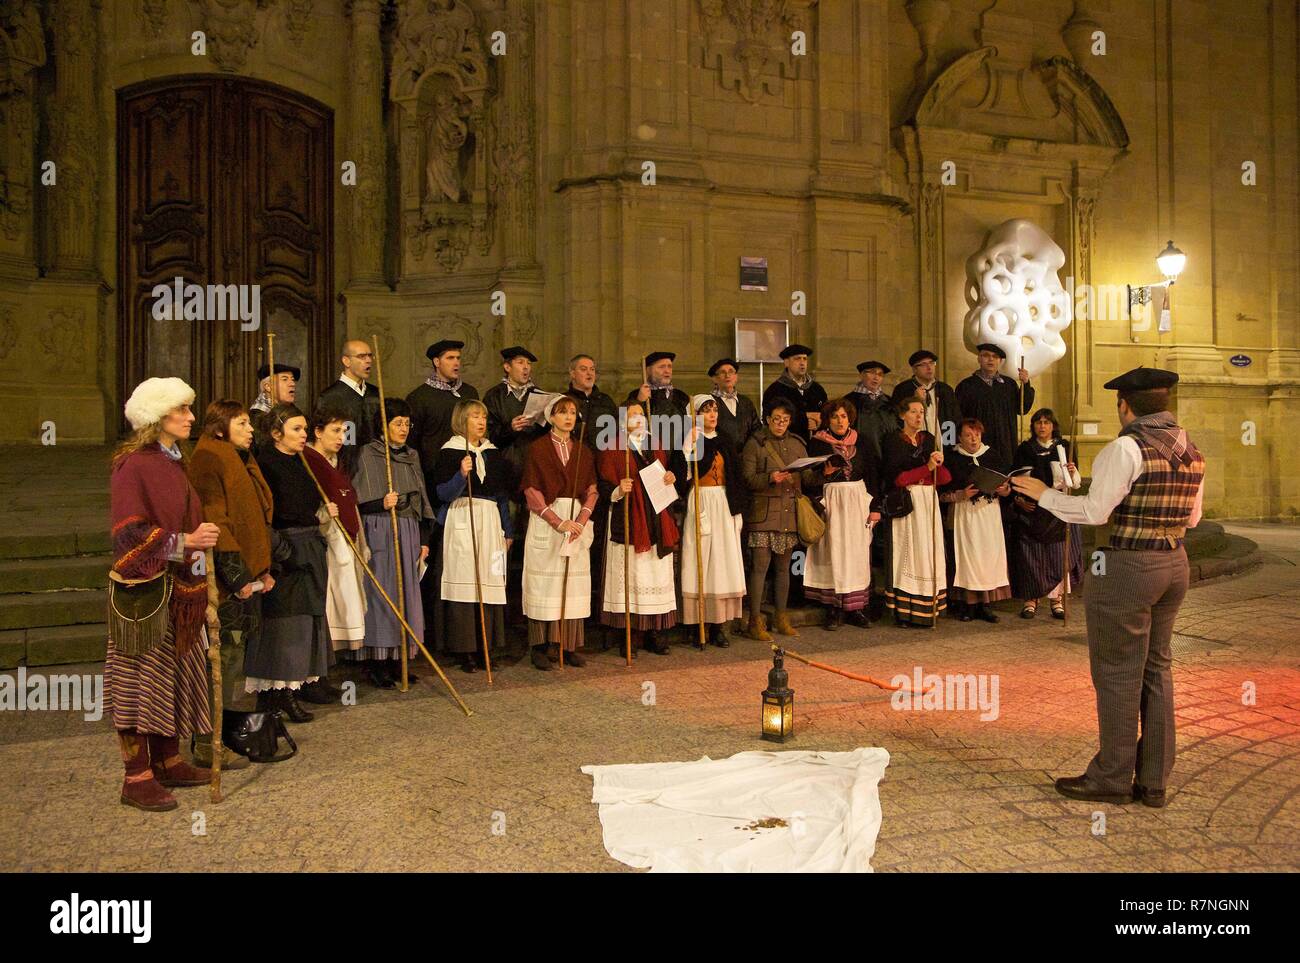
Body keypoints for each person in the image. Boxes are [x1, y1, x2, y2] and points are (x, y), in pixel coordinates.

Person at [1012, 367, 1205, 808]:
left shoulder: (1127, 446)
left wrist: (1043, 494)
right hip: (1174, 563)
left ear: (1125, 405)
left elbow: (1096, 511)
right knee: (1157, 669)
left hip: (1128, 566)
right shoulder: (1191, 449)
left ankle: (1112, 777)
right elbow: (1193, 519)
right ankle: (1153, 780)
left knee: (1118, 672)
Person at [107, 378, 216, 811]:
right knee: (140, 680)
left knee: (172, 676)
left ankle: (169, 760)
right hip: (144, 596)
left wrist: (201, 568)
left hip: (180, 591)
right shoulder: (133, 464)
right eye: (182, 410)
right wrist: (186, 542)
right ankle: (136, 778)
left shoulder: (174, 461)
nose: (191, 417)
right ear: (157, 417)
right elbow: (128, 533)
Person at [189, 399, 275, 771]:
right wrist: (237, 575)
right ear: (221, 426)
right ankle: (207, 742)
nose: (251, 428)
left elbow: (252, 513)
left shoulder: (236, 456)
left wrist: (262, 570)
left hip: (248, 576)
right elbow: (215, 521)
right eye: (242, 422)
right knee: (221, 660)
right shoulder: (209, 457)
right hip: (226, 582)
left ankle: (231, 734)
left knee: (236, 660)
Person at [248, 403, 333, 722]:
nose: (304, 435)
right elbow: (264, 514)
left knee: (308, 616)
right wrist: (282, 551)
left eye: (304, 429)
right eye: (296, 429)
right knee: (285, 622)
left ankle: (301, 684)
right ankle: (277, 693)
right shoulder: (267, 464)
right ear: (275, 433)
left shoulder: (304, 461)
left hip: (309, 542)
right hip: (287, 547)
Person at [351, 399, 434, 687]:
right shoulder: (368, 454)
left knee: (406, 596)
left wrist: (423, 540)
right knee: (381, 593)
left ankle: (400, 659)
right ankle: (377, 662)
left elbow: (421, 499)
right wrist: (379, 502)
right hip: (379, 528)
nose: (404, 429)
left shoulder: (412, 455)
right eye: (397, 423)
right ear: (383, 425)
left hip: (408, 529)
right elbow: (357, 500)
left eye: (407, 424)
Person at [432, 399, 514, 673]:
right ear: (461, 421)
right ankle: (465, 649)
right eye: (475, 417)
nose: (481, 422)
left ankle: (487, 646)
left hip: (490, 522)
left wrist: (507, 530)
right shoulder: (449, 452)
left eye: (483, 417)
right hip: (462, 519)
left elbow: (500, 495)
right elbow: (442, 494)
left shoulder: (492, 453)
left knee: (490, 579)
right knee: (465, 580)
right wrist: (461, 474)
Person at [520, 396, 599, 669]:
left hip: (575, 520)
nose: (568, 417)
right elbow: (531, 490)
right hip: (548, 520)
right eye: (562, 412)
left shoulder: (584, 451)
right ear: (551, 416)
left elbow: (591, 489)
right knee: (546, 584)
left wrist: (581, 518)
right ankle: (540, 646)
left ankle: (567, 644)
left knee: (573, 584)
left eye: (573, 412)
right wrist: (557, 522)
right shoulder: (538, 449)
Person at [598, 401, 680, 655]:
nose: (638, 419)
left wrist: (670, 476)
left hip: (656, 519)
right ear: (622, 422)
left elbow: (666, 474)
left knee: (655, 576)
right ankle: (628, 637)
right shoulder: (612, 447)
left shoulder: (656, 445)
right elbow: (602, 484)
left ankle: (655, 633)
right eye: (632, 415)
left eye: (641, 414)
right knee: (631, 578)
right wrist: (617, 489)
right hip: (629, 520)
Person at [671, 395, 748, 648]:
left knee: (721, 564)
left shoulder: (726, 440)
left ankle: (718, 625)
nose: (712, 414)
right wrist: (688, 448)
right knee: (699, 560)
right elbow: (681, 476)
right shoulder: (690, 440)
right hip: (700, 501)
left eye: (714, 409)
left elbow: (736, 476)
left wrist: (737, 510)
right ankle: (697, 625)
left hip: (723, 502)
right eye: (706, 410)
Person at [303, 407, 368, 691]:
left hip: (342, 541)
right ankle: (313, 677)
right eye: (335, 431)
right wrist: (323, 514)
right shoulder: (308, 461)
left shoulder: (335, 462)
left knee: (339, 606)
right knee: (327, 606)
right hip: (324, 542)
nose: (341, 437)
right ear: (317, 432)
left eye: (344, 432)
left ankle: (324, 671)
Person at [741, 398, 816, 640]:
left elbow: (807, 478)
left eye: (785, 420)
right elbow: (748, 479)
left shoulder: (797, 444)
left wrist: (823, 470)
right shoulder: (755, 444)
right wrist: (771, 477)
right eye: (776, 419)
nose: (780, 424)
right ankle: (755, 621)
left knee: (784, 568)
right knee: (760, 567)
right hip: (763, 513)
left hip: (789, 513)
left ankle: (781, 617)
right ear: (768, 419)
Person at [804, 398, 880, 631]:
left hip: (857, 500)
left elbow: (874, 474)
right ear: (828, 419)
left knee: (856, 554)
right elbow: (809, 478)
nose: (840, 421)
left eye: (844, 416)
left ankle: (855, 608)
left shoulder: (863, 441)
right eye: (835, 416)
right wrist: (825, 473)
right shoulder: (817, 444)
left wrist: (875, 508)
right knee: (833, 552)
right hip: (832, 501)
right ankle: (833, 608)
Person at [881, 396, 952, 627]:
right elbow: (898, 478)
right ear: (902, 415)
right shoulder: (893, 440)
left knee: (927, 553)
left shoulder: (928, 439)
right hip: (907, 500)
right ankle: (904, 610)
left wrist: (938, 464)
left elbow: (943, 478)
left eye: (921, 411)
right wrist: (927, 467)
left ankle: (928, 607)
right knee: (907, 554)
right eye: (913, 411)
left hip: (927, 500)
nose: (919, 416)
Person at [1009, 408, 1083, 620]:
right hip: (1032, 511)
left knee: (1057, 555)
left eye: (1046, 422)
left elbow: (1075, 483)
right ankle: (1031, 600)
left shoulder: (1064, 447)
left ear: (1053, 426)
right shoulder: (1025, 449)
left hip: (1057, 508)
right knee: (1031, 557)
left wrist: (1071, 472)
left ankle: (1056, 599)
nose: (1042, 426)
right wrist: (1020, 499)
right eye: (1038, 422)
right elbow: (1016, 479)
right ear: (1033, 426)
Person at [564, 353, 618, 638]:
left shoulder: (605, 402)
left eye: (593, 369)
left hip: (603, 481)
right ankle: (573, 616)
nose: (589, 373)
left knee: (599, 548)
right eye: (583, 369)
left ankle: (599, 615)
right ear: (572, 373)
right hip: (574, 481)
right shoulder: (563, 402)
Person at [938, 418, 1012, 623]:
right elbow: (942, 494)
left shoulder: (992, 455)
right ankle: (967, 605)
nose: (973, 439)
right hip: (965, 514)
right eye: (968, 435)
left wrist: (1003, 489)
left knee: (987, 556)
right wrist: (961, 494)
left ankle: (985, 605)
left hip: (989, 514)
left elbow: (1007, 487)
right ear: (960, 437)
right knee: (967, 557)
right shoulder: (953, 459)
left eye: (977, 434)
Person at [406, 339, 478, 487]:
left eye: (458, 358)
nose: (456, 363)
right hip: (435, 474)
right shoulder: (418, 397)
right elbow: (412, 442)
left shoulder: (469, 392)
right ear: (437, 362)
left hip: (468, 469)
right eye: (450, 358)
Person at [955, 343, 1034, 464]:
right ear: (979, 358)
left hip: (1005, 443)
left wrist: (1026, 384)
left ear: (1000, 361)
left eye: (995, 356)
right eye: (986, 355)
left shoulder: (1009, 385)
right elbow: (957, 418)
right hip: (977, 444)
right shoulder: (966, 386)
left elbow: (1023, 409)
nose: (991, 359)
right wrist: (952, 442)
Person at [483, 345, 548, 488]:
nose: (526, 367)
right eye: (520, 362)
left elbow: (547, 434)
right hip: (505, 468)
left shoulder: (540, 395)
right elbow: (487, 434)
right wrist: (510, 428)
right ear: (507, 367)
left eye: (528, 363)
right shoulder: (494, 396)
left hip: (534, 468)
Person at [315, 339, 381, 476]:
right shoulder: (330, 397)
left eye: (370, 356)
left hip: (375, 467)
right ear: (346, 361)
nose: (368, 360)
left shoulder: (376, 393)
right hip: (345, 468)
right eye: (362, 356)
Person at [890, 350, 960, 444]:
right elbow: (896, 418)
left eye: (931, 363)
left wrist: (950, 443)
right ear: (914, 369)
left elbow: (952, 418)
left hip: (942, 442)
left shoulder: (945, 389)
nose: (929, 367)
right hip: (914, 442)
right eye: (923, 364)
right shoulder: (902, 390)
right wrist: (915, 399)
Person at [762, 344, 828, 443]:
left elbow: (828, 414)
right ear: (786, 362)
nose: (802, 363)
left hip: (816, 445)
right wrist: (805, 418)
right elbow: (769, 420)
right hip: (787, 445)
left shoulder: (817, 389)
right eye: (797, 359)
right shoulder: (775, 390)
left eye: (805, 359)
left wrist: (820, 421)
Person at [849, 360, 900, 464]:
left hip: (886, 456)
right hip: (860, 455)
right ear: (861, 375)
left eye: (880, 374)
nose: (876, 377)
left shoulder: (889, 402)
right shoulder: (849, 401)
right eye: (872, 373)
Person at [708, 357, 760, 453]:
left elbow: (756, 430)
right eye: (723, 372)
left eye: (731, 371)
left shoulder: (746, 402)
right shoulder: (708, 402)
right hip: (719, 457)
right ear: (715, 379)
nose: (727, 375)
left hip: (746, 457)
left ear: (736, 377)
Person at [249, 362, 299, 457]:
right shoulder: (257, 418)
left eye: (292, 380)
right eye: (285, 379)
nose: (292, 384)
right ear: (268, 386)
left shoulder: (294, 413)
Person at [627, 351, 690, 424]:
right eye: (662, 367)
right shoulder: (636, 395)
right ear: (647, 370)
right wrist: (639, 401)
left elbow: (689, 423)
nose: (667, 371)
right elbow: (628, 423)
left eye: (669, 366)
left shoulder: (681, 396)